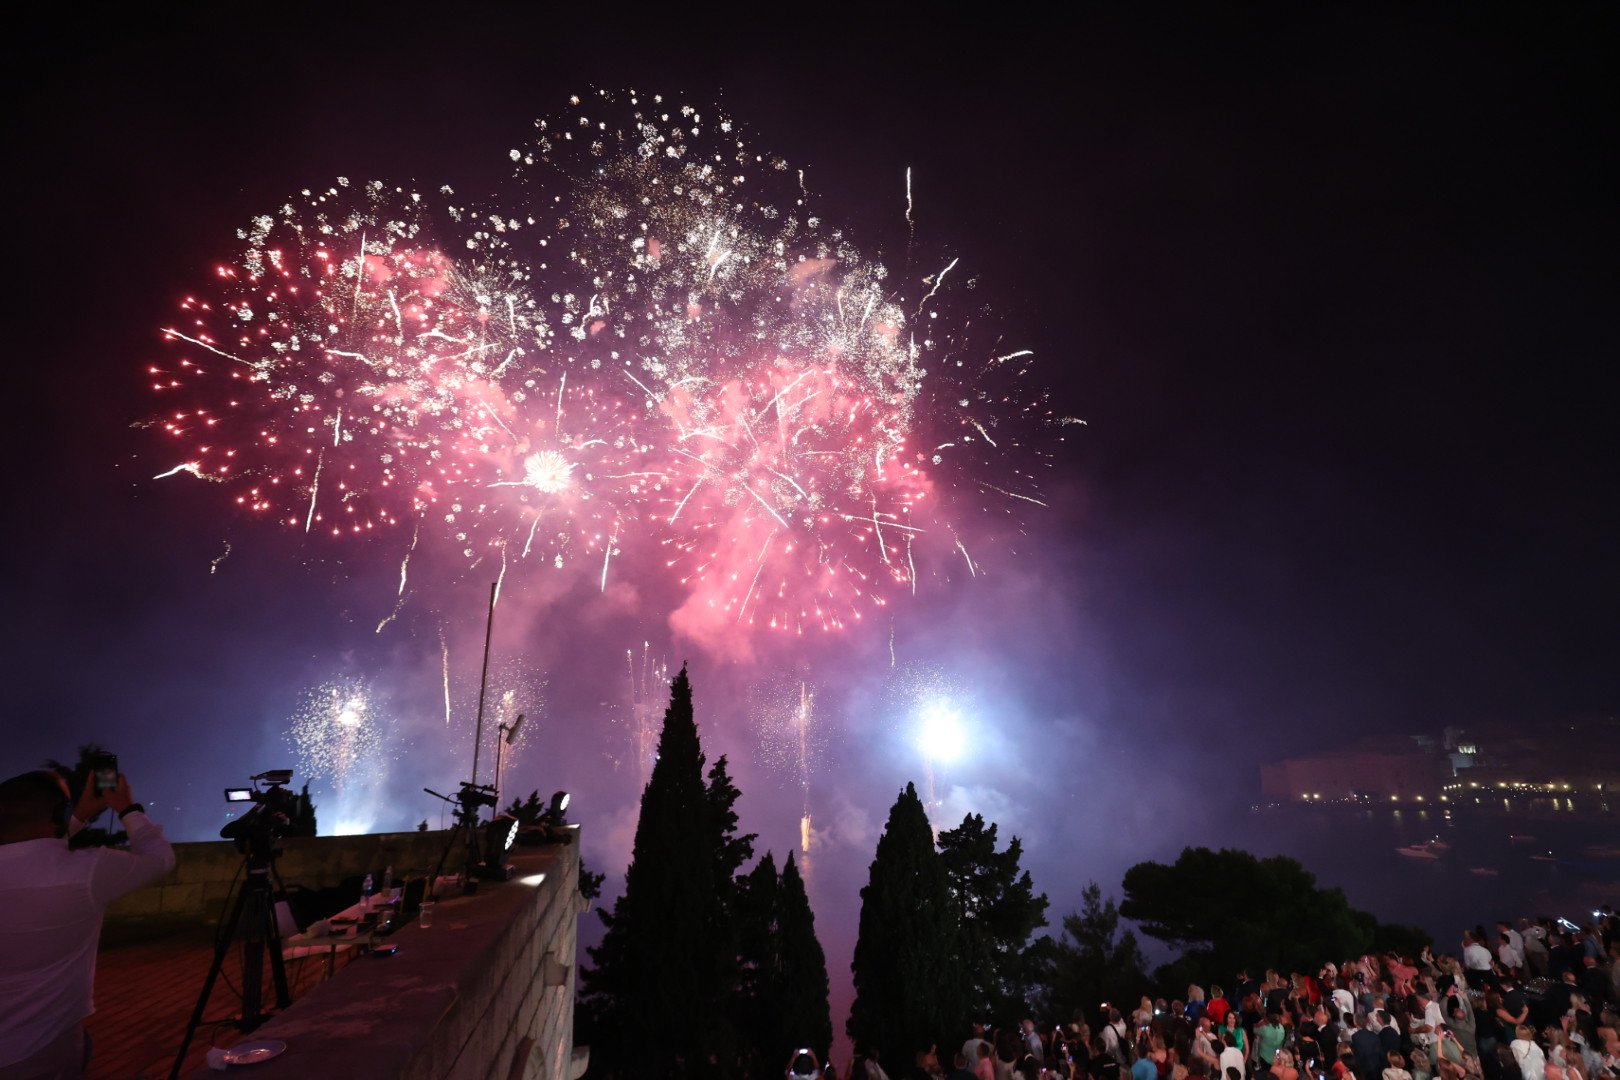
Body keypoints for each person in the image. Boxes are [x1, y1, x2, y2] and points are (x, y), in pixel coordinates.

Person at [0, 768, 175, 1079]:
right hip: (43, 1048)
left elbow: (30, 847)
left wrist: (79, 814)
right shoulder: (87, 873)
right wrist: (127, 807)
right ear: (60, 812)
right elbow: (160, 859)